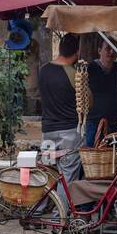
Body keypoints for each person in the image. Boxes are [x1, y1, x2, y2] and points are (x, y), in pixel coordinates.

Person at [38, 33, 83, 183]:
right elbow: (88, 99)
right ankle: (61, 207)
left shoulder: (43, 70)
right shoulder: (73, 74)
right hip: (69, 133)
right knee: (67, 176)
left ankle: (43, 206)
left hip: (48, 131)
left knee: (47, 173)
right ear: (77, 52)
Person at [83, 42, 117, 147]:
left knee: (114, 155)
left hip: (115, 123)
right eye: (108, 48)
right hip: (94, 122)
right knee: (92, 153)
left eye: (114, 49)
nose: (111, 52)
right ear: (99, 50)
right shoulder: (90, 69)